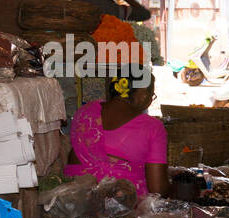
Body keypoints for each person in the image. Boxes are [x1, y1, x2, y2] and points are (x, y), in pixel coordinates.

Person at [65, 69, 170, 198]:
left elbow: (74, 155)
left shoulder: (86, 112)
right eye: (152, 95)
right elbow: (157, 188)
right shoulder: (153, 127)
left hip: (79, 199)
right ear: (143, 95)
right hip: (126, 207)